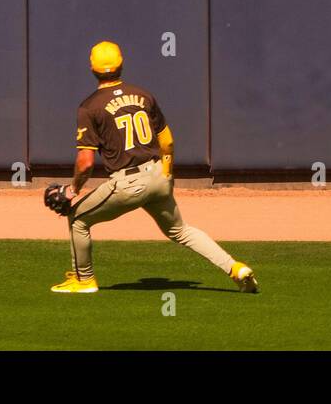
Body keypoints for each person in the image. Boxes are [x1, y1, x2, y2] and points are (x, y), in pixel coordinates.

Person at [51, 40, 259, 295]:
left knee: (78, 220)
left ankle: (84, 280)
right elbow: (167, 141)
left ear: (91, 68)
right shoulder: (143, 95)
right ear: (121, 63)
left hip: (128, 183)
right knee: (180, 230)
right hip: (158, 174)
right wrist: (167, 173)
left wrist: (73, 190)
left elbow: (85, 163)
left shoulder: (89, 106)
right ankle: (235, 268)